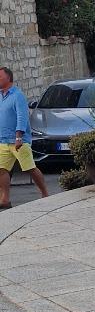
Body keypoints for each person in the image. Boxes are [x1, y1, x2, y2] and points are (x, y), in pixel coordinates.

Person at [0, 65, 48, 210]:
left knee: (29, 168)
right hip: (3, 140)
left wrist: (19, 136)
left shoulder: (17, 95)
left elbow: (22, 116)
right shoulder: (1, 96)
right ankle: (5, 199)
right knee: (1, 169)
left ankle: (45, 194)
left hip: (19, 140)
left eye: (0, 77)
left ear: (8, 78)